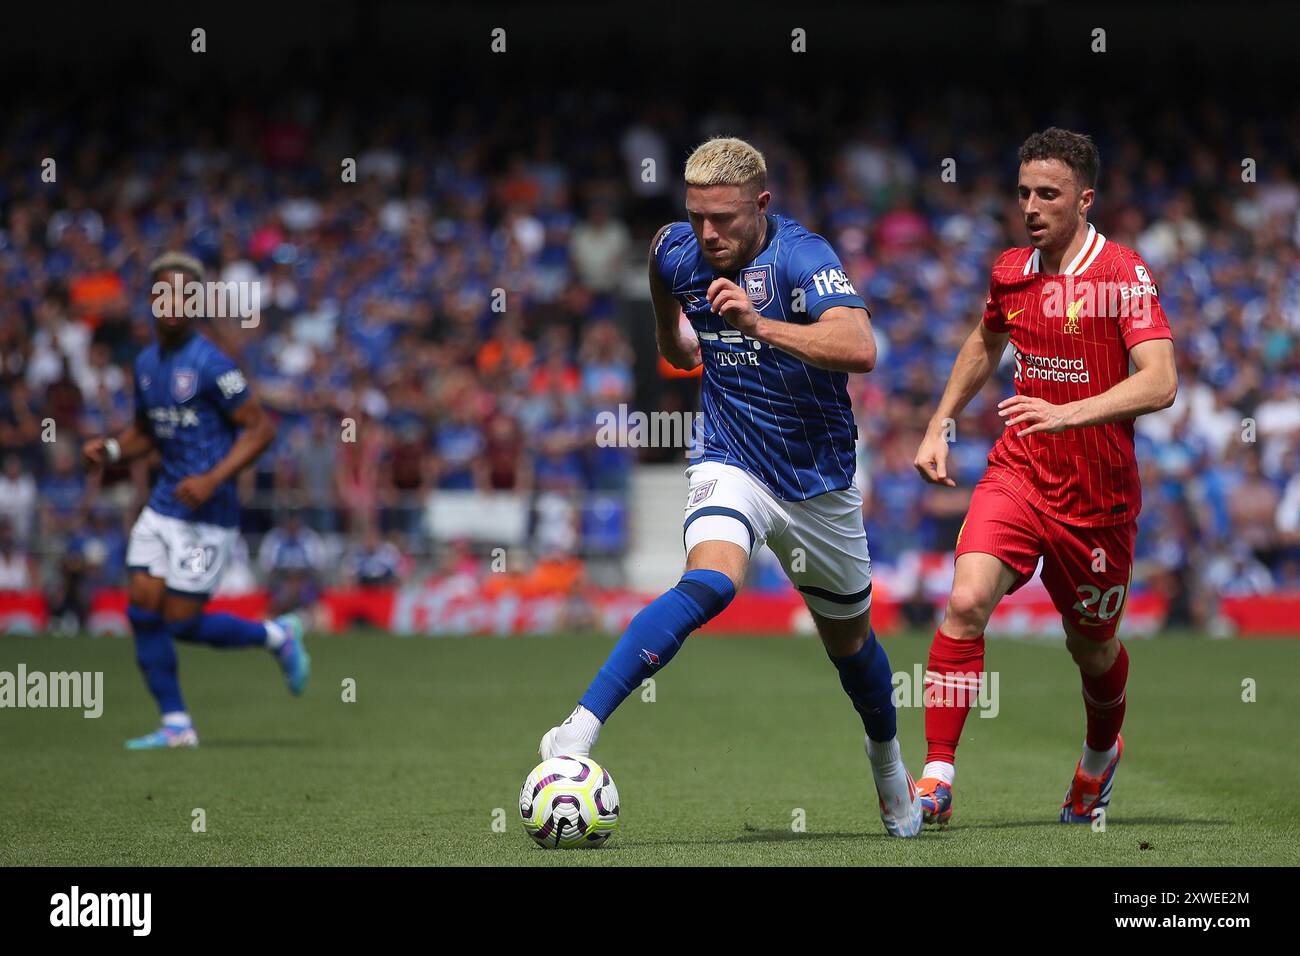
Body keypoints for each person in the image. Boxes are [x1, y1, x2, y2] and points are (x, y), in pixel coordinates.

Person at [537, 137, 922, 837]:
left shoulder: (803, 258)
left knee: (852, 650)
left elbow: (861, 348)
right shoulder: (675, 249)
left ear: (761, 205)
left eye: (724, 219)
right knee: (712, 582)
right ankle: (577, 731)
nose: (708, 233)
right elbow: (666, 295)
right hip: (730, 457)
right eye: (697, 216)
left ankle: (888, 763)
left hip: (817, 481)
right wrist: (671, 339)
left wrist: (759, 324)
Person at [912, 129, 1178, 824]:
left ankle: (1098, 758)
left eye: (1048, 194)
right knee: (966, 600)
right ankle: (937, 777)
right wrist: (942, 419)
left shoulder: (1122, 274)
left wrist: (1070, 413)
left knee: (1091, 648)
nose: (1031, 205)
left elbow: (1161, 381)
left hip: (1098, 501)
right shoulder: (1011, 270)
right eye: (1024, 191)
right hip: (1020, 474)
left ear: (1084, 201)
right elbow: (985, 338)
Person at [82, 252, 310, 750]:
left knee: (182, 622)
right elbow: (149, 431)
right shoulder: (144, 364)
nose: (173, 303)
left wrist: (212, 478)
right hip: (164, 505)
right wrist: (115, 449)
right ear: (152, 301)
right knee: (142, 611)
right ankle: (176, 725)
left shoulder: (212, 364)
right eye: (164, 293)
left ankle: (277, 637)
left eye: (186, 294)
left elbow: (261, 430)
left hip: (209, 514)